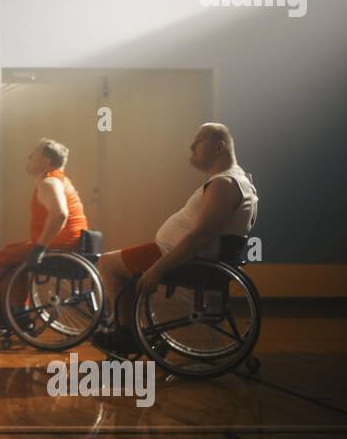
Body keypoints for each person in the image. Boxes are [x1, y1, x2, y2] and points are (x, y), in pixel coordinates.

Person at [95, 123, 258, 353]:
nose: (192, 145)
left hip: (181, 256)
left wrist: (158, 269)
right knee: (115, 265)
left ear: (219, 146)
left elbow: (202, 235)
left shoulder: (225, 183)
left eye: (199, 140)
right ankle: (132, 332)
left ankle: (129, 336)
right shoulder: (234, 181)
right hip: (185, 254)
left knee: (107, 264)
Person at [0, 138, 89, 338]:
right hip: (70, 244)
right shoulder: (58, 179)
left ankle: (9, 317)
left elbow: (60, 214)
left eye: (33, 155)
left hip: (61, 247)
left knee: (2, 259)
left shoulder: (49, 182)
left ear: (46, 162)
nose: (28, 158)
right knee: (10, 253)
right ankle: (16, 312)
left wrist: (39, 248)